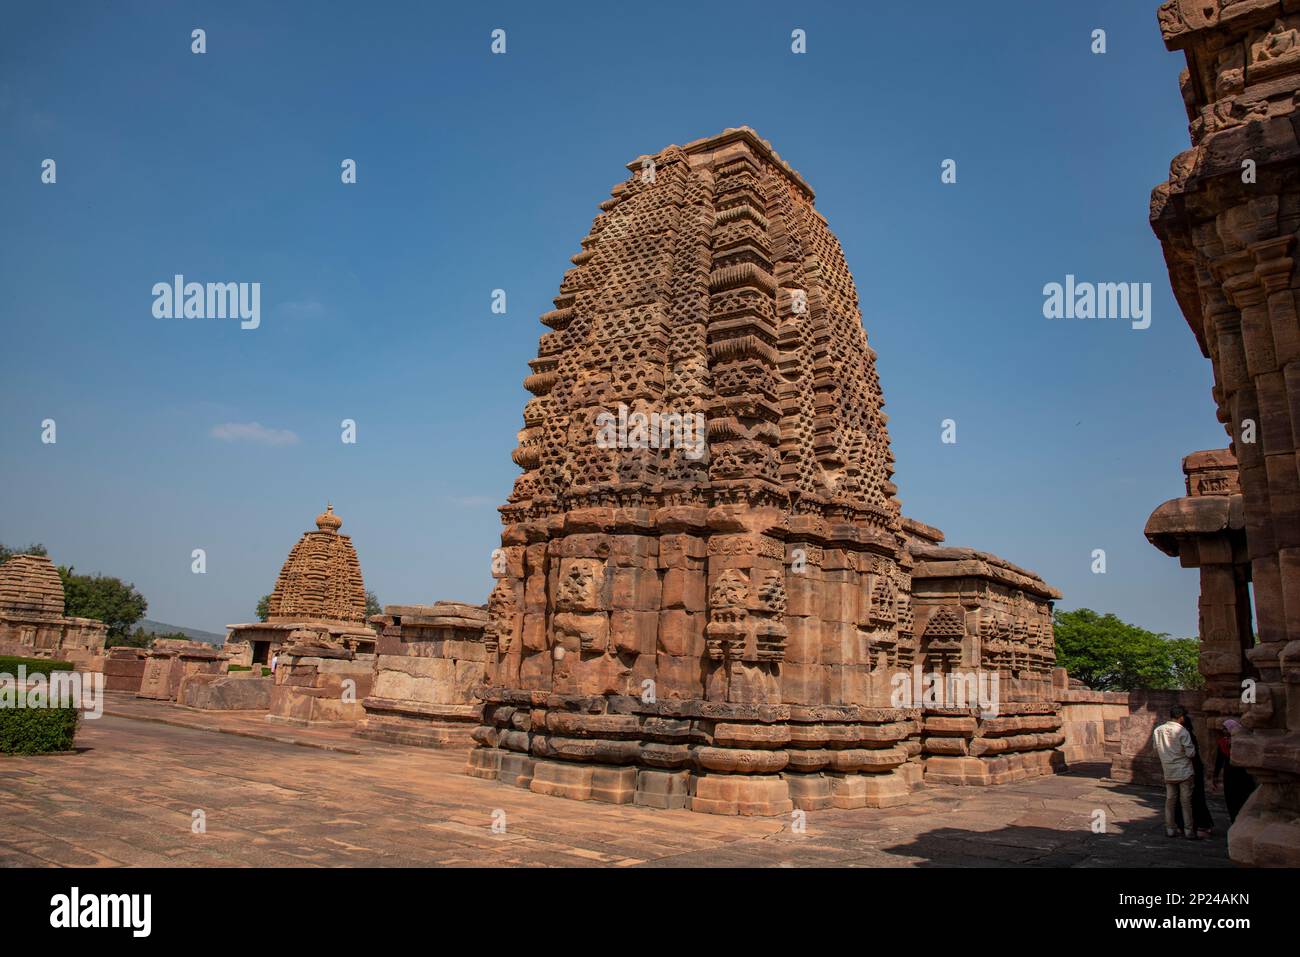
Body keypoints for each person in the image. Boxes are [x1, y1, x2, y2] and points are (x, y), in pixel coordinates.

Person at [1152, 705, 1198, 839]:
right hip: (1184, 770)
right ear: (1181, 717)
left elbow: (1156, 749)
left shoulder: (1158, 730)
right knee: (1185, 802)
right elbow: (1191, 753)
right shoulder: (1183, 731)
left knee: (1170, 800)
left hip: (1168, 769)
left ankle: (1170, 829)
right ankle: (1188, 830)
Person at [1173, 711, 1214, 838]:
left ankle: (1183, 825)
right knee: (1192, 797)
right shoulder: (1186, 734)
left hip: (1180, 768)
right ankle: (1194, 826)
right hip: (1189, 768)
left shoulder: (1179, 734)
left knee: (1181, 798)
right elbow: (1192, 753)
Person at [1212, 718, 1258, 823]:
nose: (1224, 731)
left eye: (1226, 728)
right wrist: (1215, 775)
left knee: (1244, 796)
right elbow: (1219, 760)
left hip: (1243, 773)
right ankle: (1234, 820)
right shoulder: (1222, 743)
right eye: (1223, 729)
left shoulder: (1242, 742)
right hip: (1230, 774)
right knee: (1231, 798)